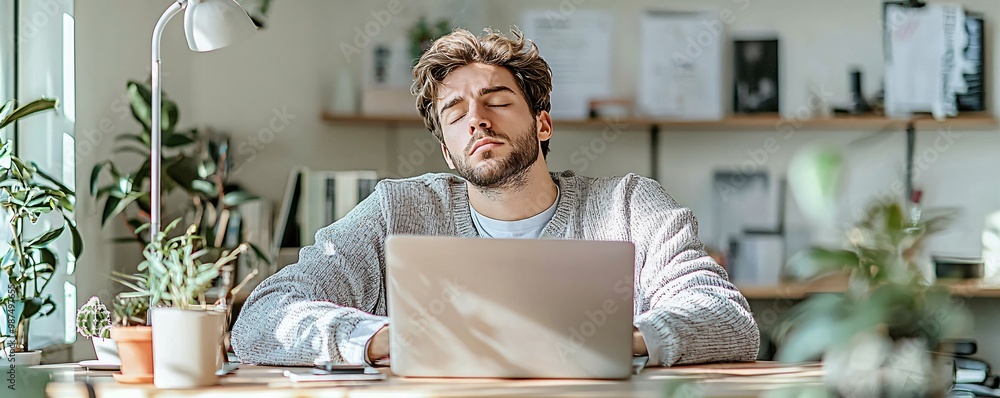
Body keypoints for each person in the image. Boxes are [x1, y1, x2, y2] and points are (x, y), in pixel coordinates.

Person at [231, 28, 759, 367]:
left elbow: (729, 320)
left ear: (542, 122)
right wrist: (381, 339)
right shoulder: (398, 211)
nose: (477, 119)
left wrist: (620, 337)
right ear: (446, 150)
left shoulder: (628, 206)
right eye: (455, 113)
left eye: (498, 101)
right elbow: (262, 319)